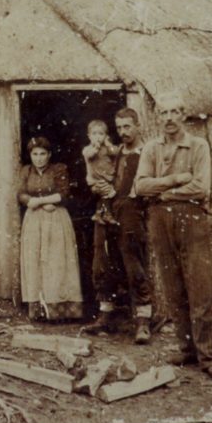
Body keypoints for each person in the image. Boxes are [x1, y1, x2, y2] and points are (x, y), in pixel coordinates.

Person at [136, 92, 212, 381]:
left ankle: (209, 355)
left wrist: (163, 192)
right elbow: (140, 186)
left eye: (175, 112)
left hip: (192, 218)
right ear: (157, 117)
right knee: (173, 285)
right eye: (164, 113)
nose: (169, 118)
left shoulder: (198, 146)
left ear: (184, 115)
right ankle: (186, 347)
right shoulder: (151, 149)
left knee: (200, 285)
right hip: (160, 220)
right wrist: (174, 180)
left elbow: (201, 187)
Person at [84, 108, 154, 343]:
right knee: (101, 260)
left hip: (132, 212)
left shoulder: (147, 152)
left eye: (128, 126)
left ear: (137, 126)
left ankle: (143, 320)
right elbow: (97, 174)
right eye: (120, 127)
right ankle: (106, 315)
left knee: (133, 262)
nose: (123, 132)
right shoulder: (114, 152)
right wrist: (96, 187)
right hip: (106, 208)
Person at [18, 136, 84, 321]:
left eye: (43, 154)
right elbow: (21, 194)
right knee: (35, 260)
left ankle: (59, 311)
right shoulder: (26, 171)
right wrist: (37, 202)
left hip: (56, 219)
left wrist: (40, 201)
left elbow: (63, 194)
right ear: (30, 155)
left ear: (49, 155)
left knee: (56, 261)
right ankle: (38, 309)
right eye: (35, 154)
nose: (39, 158)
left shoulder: (59, 169)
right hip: (33, 221)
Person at [82, 119, 119, 226]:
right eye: (94, 133)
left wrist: (108, 144)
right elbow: (90, 155)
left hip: (106, 177)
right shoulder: (87, 149)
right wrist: (96, 147)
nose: (97, 136)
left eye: (101, 134)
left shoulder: (107, 148)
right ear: (89, 136)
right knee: (106, 194)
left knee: (105, 195)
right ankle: (106, 214)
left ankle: (99, 214)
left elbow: (115, 152)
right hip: (96, 178)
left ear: (105, 136)